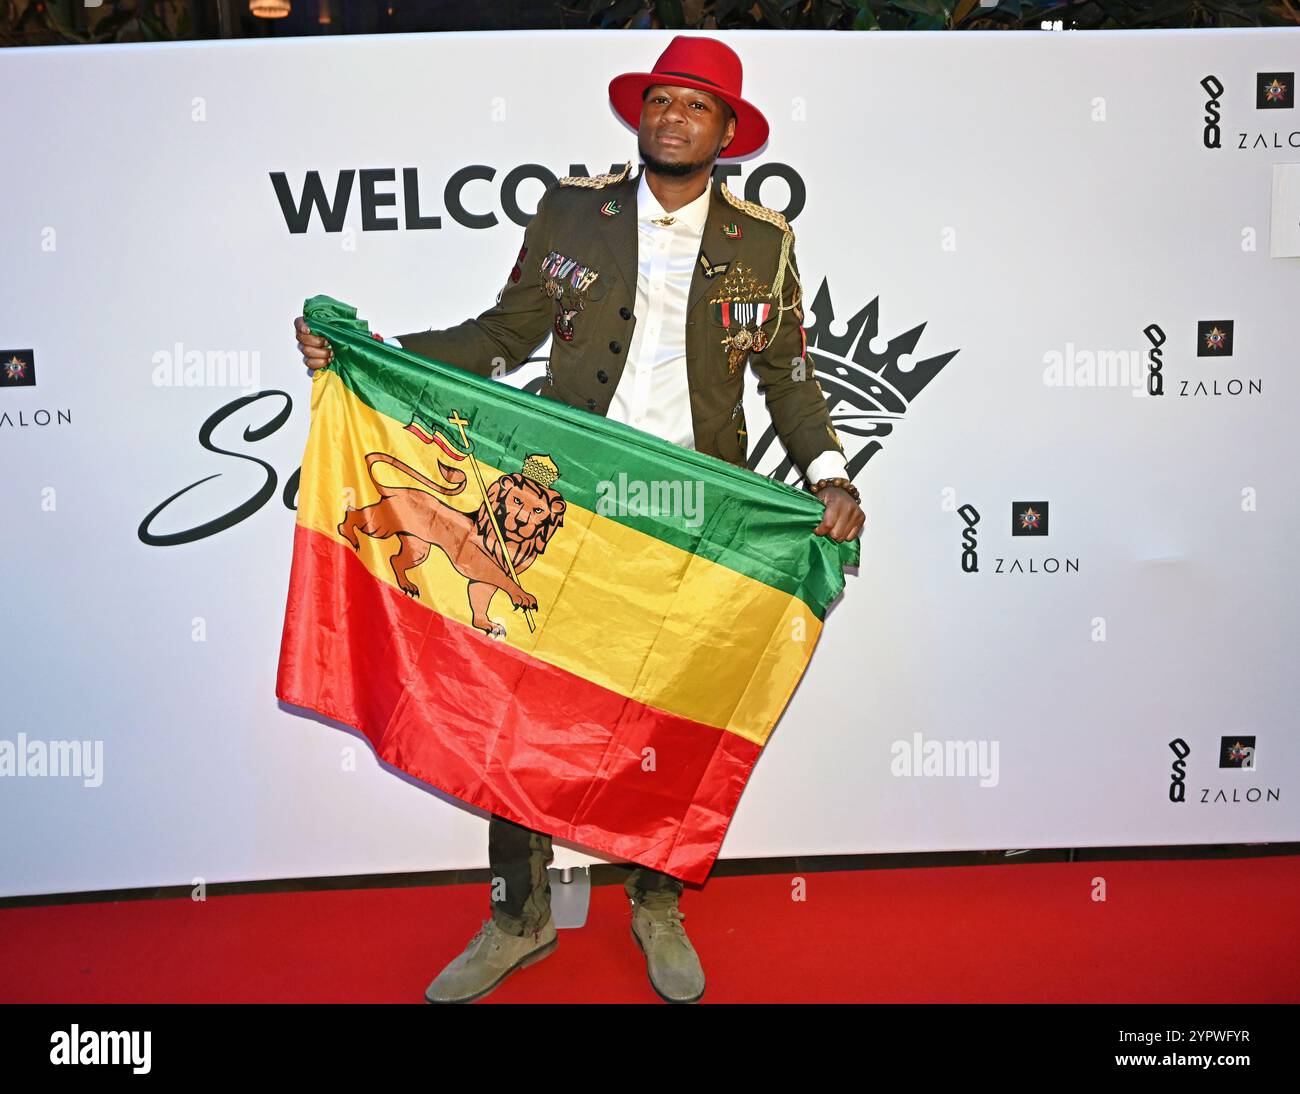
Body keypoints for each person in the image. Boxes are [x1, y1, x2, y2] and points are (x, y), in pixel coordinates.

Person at [294, 34, 865, 1005]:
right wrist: (377, 353)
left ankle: (656, 901)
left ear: (728, 131)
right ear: (640, 115)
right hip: (569, 506)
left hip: (697, 513)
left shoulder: (764, 244)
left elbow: (789, 375)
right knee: (516, 702)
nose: (670, 117)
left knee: (671, 710)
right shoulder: (570, 210)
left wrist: (829, 469)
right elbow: (504, 332)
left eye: (694, 105)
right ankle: (516, 915)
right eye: (659, 101)